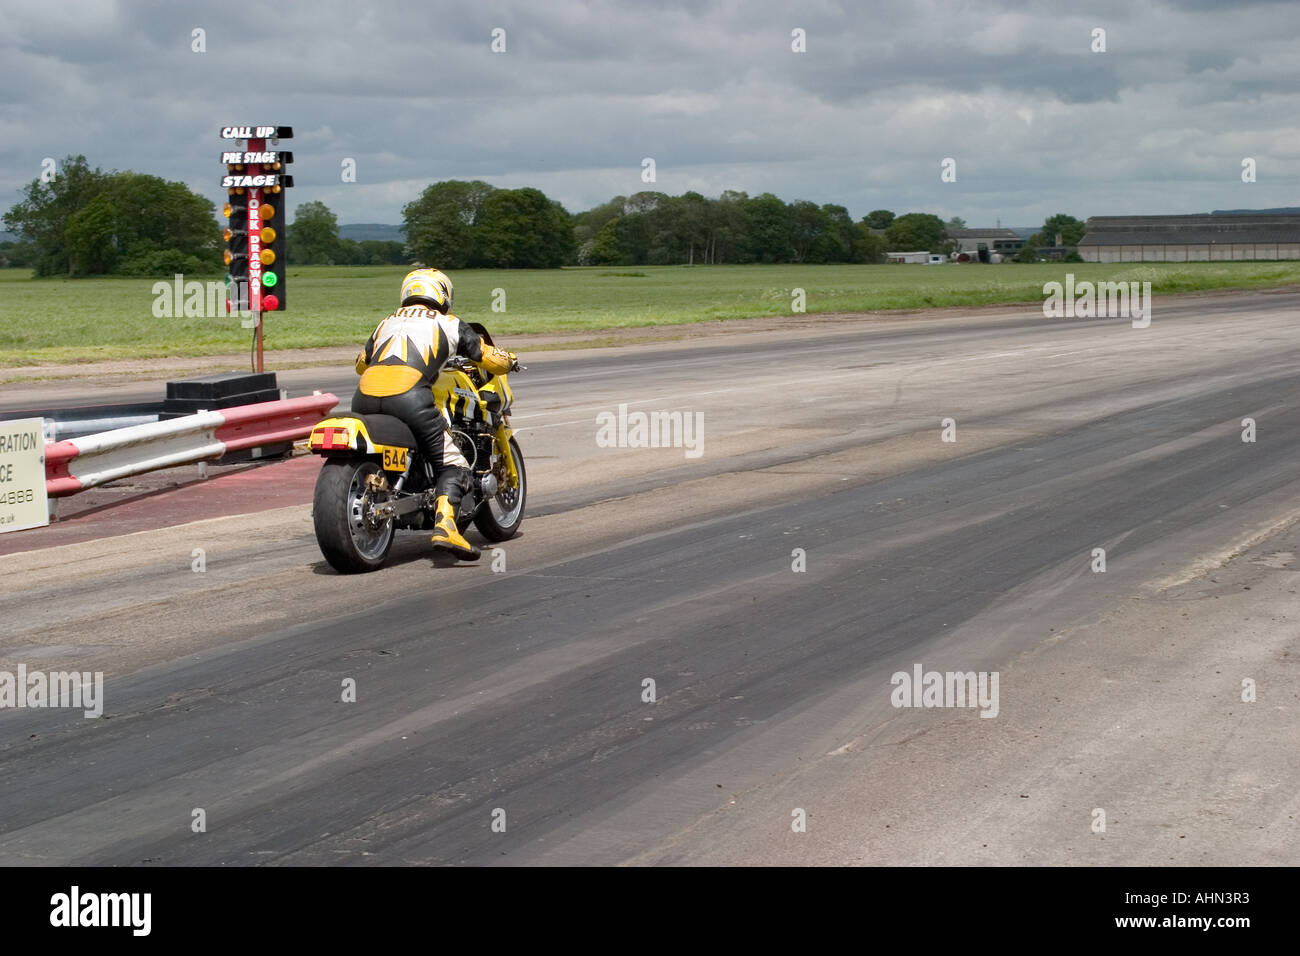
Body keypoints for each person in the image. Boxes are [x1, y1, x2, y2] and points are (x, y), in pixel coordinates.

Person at [352, 268, 516, 561]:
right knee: (455, 464)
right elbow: (489, 358)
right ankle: (446, 527)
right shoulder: (449, 323)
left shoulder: (385, 323)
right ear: (442, 294)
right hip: (409, 398)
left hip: (364, 398)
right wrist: (510, 359)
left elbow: (361, 364)